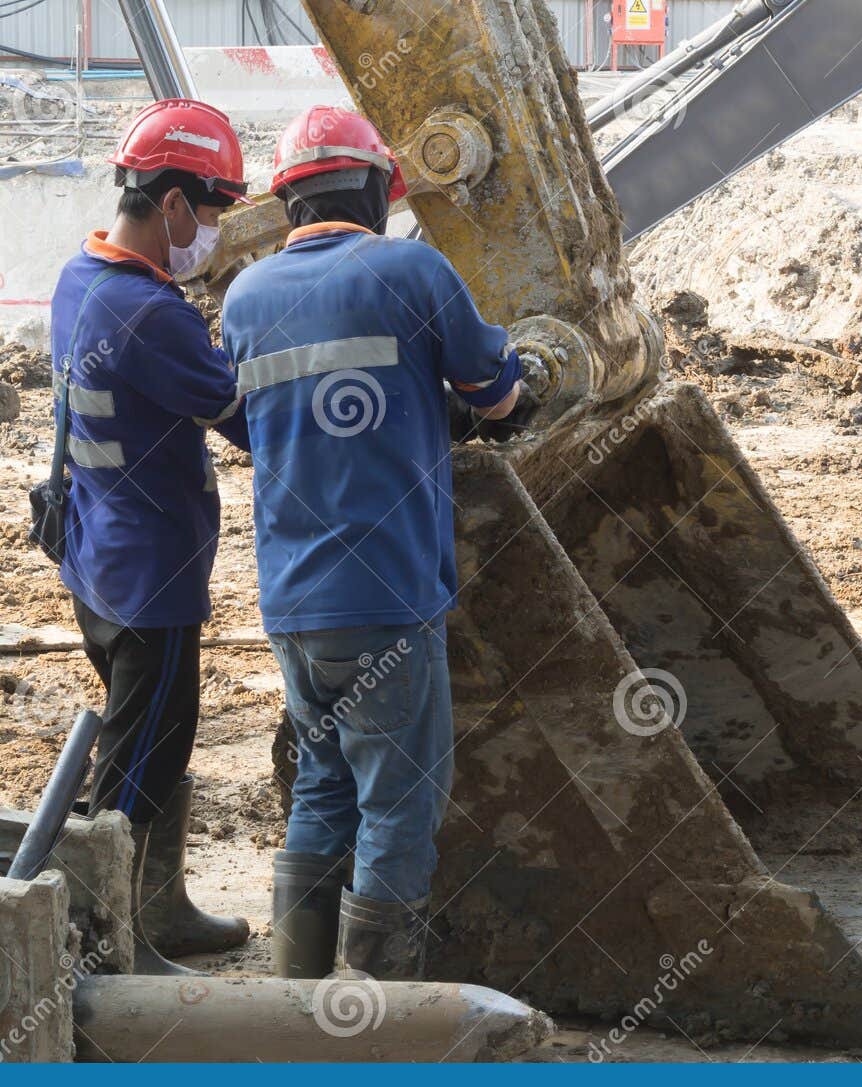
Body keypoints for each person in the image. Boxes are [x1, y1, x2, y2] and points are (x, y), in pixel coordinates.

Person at [219, 107, 529, 981]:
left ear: (288, 202)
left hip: (291, 604)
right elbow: (497, 392)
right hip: (389, 598)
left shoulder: (244, 297)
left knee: (323, 785)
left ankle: (298, 995)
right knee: (400, 800)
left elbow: (253, 425)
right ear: (374, 190)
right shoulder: (410, 269)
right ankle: (375, 1013)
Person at [50, 99, 253, 974]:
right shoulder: (154, 313)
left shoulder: (80, 277)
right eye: (211, 210)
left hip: (96, 559)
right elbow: (245, 418)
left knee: (140, 742)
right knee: (143, 760)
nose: (214, 229)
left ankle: (158, 912)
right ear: (171, 203)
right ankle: (108, 950)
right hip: (152, 581)